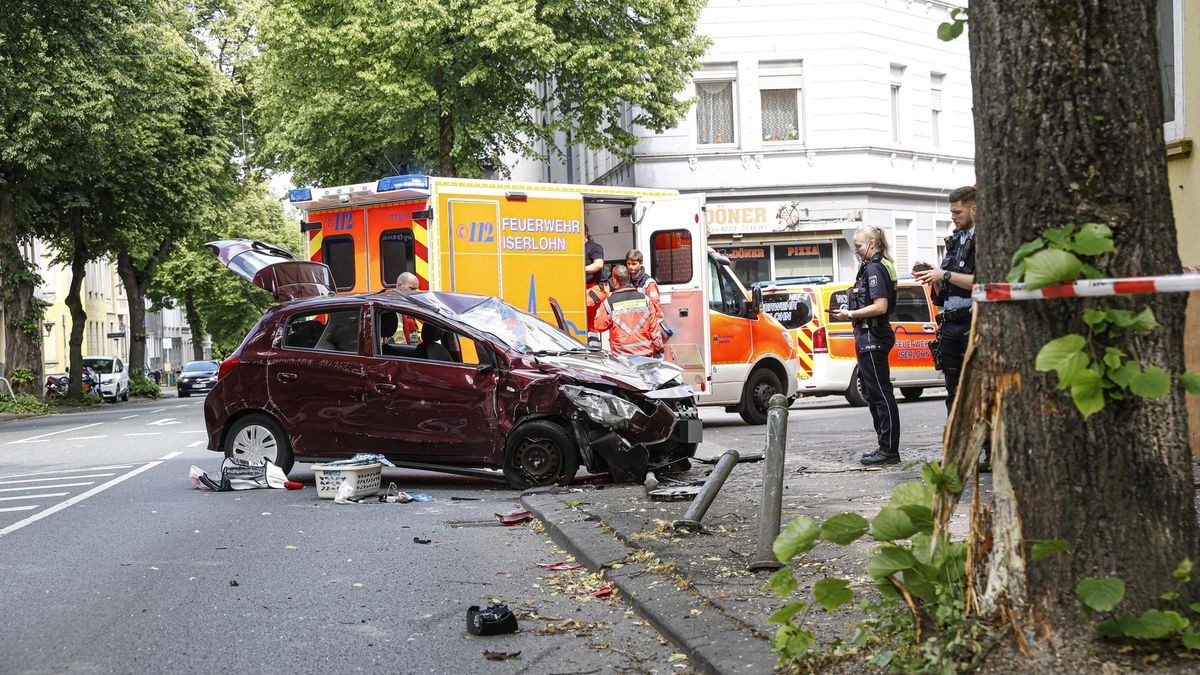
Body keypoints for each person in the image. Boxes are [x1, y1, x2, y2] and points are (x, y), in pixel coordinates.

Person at [914, 185, 988, 470]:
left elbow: (981, 280)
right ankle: (956, 451)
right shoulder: (956, 239)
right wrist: (935, 276)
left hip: (973, 321)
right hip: (951, 322)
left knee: (980, 391)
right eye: (951, 212)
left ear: (974, 209)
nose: (954, 216)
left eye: (957, 212)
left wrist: (944, 274)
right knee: (953, 392)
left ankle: (988, 453)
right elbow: (951, 280)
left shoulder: (984, 240)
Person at [829, 225, 900, 466]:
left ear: (872, 243)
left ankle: (889, 450)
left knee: (880, 392)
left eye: (859, 245)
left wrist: (850, 313)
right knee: (873, 392)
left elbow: (880, 305)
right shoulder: (876, 265)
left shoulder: (875, 268)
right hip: (870, 333)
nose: (856, 250)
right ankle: (884, 447)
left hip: (873, 334)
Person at [594, 264, 664, 358]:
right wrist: (659, 348)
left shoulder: (608, 303)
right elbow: (654, 329)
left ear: (614, 280)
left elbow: (599, 326)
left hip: (621, 358)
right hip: (645, 356)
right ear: (629, 277)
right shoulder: (646, 300)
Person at [624, 249, 665, 337]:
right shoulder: (625, 280)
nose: (631, 267)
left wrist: (653, 327)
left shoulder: (648, 282)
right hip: (630, 324)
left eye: (634, 264)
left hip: (645, 325)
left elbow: (655, 306)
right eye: (628, 264)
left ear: (641, 263)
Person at [584, 226, 606, 331]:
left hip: (597, 286)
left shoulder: (594, 247)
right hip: (583, 287)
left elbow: (598, 264)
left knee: (583, 304)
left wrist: (580, 269)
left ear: (585, 233)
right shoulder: (574, 248)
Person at [394, 272, 422, 343]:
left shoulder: (407, 303)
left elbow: (413, 331)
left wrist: (414, 345)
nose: (415, 292)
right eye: (412, 288)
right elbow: (398, 336)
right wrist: (403, 350)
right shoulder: (394, 304)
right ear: (400, 286)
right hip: (400, 350)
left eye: (416, 289)